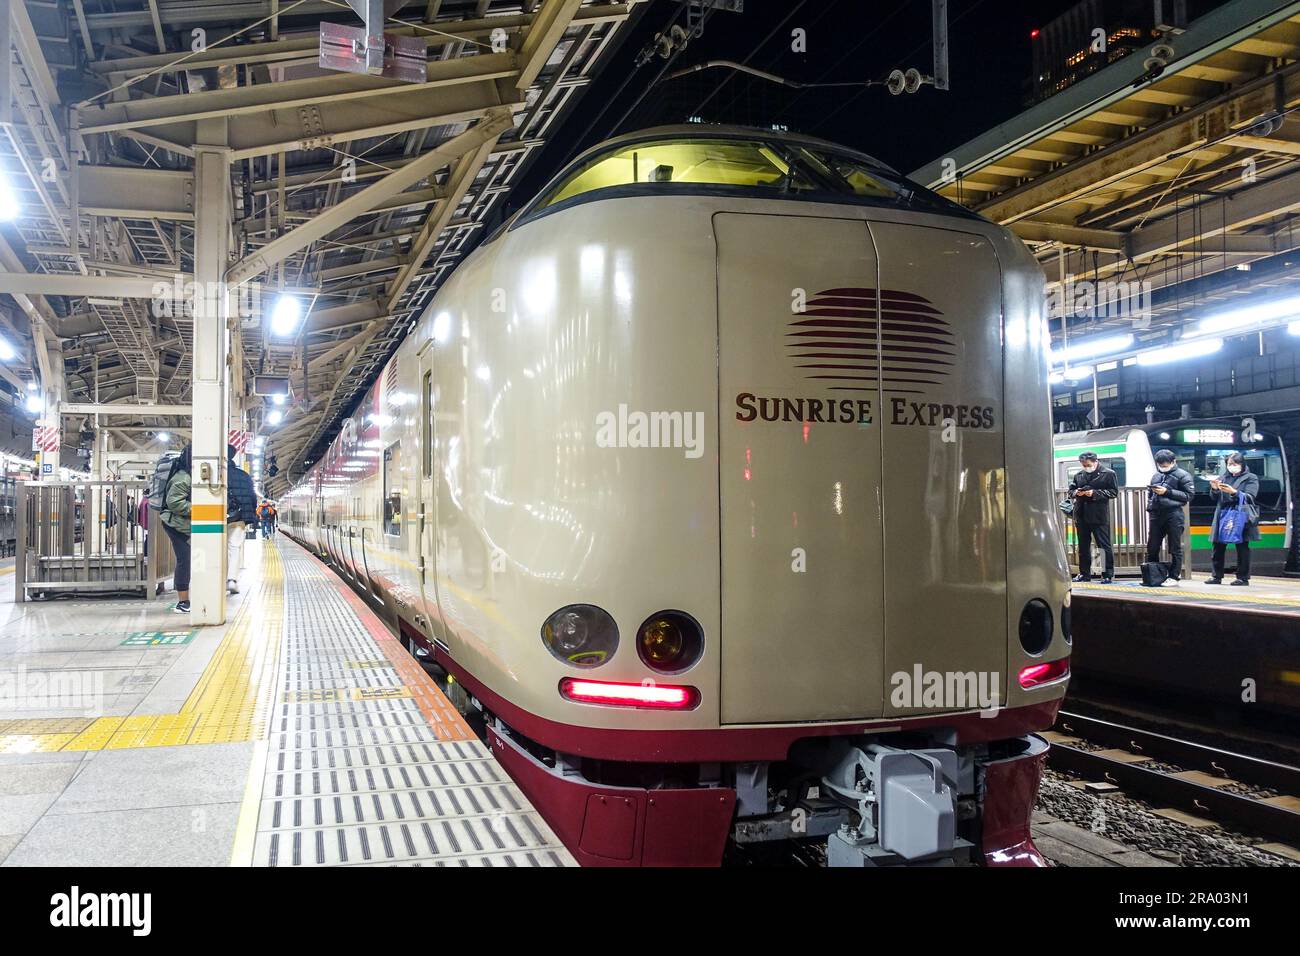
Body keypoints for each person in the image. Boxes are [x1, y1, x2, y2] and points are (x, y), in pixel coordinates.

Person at [1206, 451, 1260, 586]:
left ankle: (1243, 577)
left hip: (1240, 515)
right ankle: (1216, 576)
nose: (1232, 466)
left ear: (1242, 464)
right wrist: (1215, 489)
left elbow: (1251, 497)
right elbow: (1214, 498)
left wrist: (1234, 492)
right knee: (1217, 545)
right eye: (1229, 464)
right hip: (1223, 514)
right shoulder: (1223, 477)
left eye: (1235, 464)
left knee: (1242, 546)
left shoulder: (1251, 478)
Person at [1146, 449, 1195, 587]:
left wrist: (1167, 492)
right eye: (1160, 464)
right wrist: (1151, 504)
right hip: (1156, 514)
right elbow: (1150, 494)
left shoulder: (1183, 475)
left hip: (1174, 514)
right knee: (1152, 546)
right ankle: (1153, 575)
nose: (1163, 467)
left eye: (1166, 465)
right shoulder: (1156, 476)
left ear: (1173, 462)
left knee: (1175, 547)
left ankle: (1174, 576)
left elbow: (1188, 495)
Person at [1070, 451, 1118, 584]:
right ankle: (1084, 574)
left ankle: (1107, 574)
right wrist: (1075, 492)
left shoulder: (1108, 474)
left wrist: (1095, 493)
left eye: (1088, 464)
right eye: (1083, 465)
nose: (1086, 467)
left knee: (1103, 545)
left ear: (1096, 461)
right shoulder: (1078, 475)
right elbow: (1071, 490)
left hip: (1099, 515)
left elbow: (1114, 492)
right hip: (1081, 514)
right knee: (1083, 546)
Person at [160, 445, 193, 613]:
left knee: (188, 560)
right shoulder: (183, 478)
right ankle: (183, 602)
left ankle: (186, 596)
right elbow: (174, 503)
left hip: (182, 524)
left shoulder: (187, 476)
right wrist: (198, 509)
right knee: (185, 560)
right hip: (175, 525)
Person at [226, 445, 258, 595]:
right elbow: (252, 497)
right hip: (238, 518)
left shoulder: (216, 474)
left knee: (216, 548)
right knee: (234, 548)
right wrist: (249, 514)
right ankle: (231, 580)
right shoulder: (243, 475)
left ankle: (216, 578)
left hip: (214, 517)